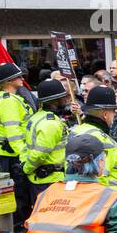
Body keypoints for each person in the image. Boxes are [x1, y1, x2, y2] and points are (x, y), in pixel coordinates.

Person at [0, 62, 35, 229]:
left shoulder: (2, 98)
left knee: (13, 195)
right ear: (9, 81)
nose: (22, 78)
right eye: (18, 76)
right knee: (20, 196)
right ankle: (19, 229)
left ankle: (13, 227)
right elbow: (13, 131)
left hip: (8, 155)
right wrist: (24, 156)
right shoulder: (9, 101)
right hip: (15, 155)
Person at [21, 78, 73, 206]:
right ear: (54, 101)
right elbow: (40, 154)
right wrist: (27, 169)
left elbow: (26, 146)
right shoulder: (51, 123)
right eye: (63, 97)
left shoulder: (37, 117)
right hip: (51, 180)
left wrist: (25, 166)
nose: (66, 100)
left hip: (41, 179)